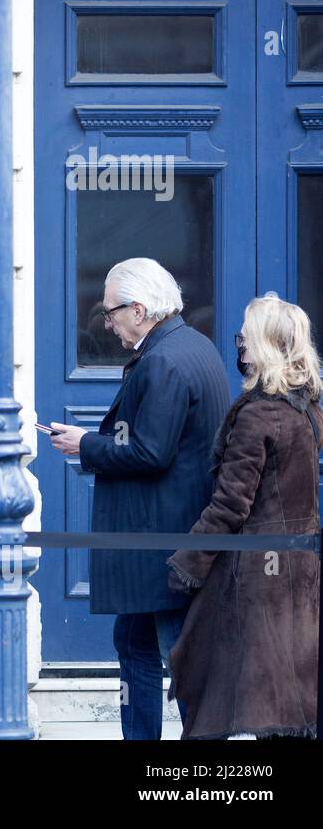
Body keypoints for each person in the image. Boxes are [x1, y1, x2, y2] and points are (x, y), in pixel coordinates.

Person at [50, 257, 229, 740]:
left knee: (180, 656)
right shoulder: (191, 345)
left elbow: (150, 451)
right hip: (163, 540)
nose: (106, 324)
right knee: (135, 643)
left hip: (161, 544)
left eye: (110, 313)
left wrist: (84, 444)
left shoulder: (164, 359)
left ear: (140, 309)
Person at [166, 294, 320, 740]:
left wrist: (187, 561)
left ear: (266, 347)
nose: (241, 350)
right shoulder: (307, 409)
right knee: (287, 699)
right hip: (299, 568)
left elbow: (232, 504)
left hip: (258, 577)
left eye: (245, 340)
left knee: (224, 688)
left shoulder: (259, 415)